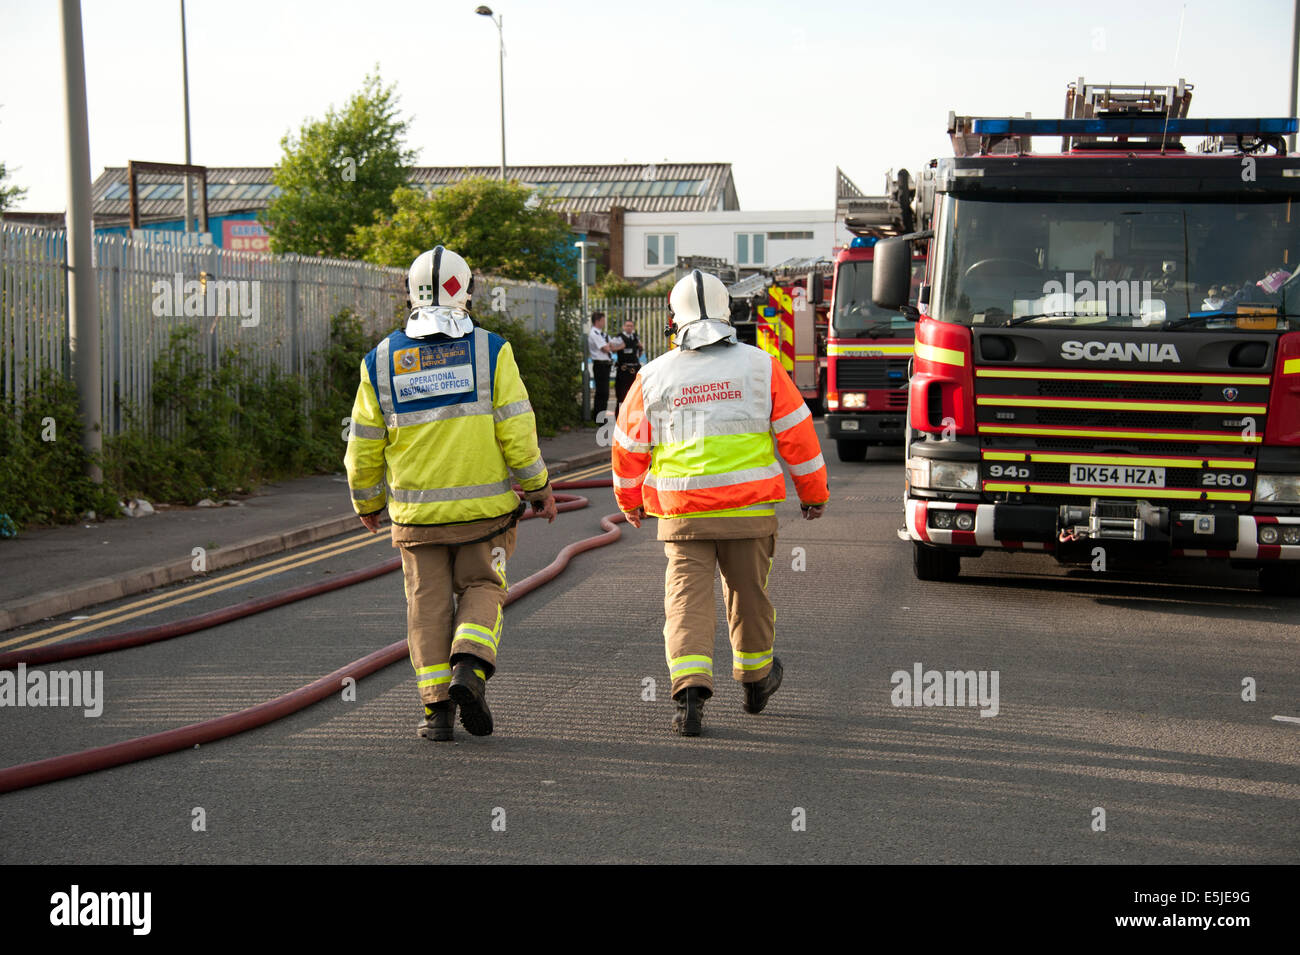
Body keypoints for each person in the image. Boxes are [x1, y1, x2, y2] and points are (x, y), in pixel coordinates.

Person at [345, 245, 557, 743]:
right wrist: (538, 488)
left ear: (410, 292)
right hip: (486, 516)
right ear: (466, 291)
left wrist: (367, 502)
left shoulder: (379, 360)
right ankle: (469, 665)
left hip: (416, 520)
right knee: (484, 588)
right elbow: (516, 430)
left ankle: (437, 712)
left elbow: (363, 443)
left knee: (427, 607)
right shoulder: (490, 350)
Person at [611, 270, 829, 737]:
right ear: (728, 312)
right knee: (748, 595)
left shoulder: (653, 374)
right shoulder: (760, 366)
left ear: (674, 319)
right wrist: (813, 494)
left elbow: (628, 445)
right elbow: (798, 434)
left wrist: (629, 500)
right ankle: (755, 681)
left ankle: (689, 692)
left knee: (685, 601)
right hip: (748, 514)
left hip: (682, 514)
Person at [613, 317, 644, 420]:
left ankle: (634, 417)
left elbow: (639, 352)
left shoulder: (635, 337)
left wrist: (640, 348)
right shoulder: (619, 337)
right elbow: (611, 349)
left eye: (631, 326)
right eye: (627, 326)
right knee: (621, 395)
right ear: (623, 327)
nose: (629, 328)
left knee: (635, 394)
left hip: (634, 369)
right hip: (624, 370)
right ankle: (619, 418)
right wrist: (619, 347)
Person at [588, 311, 614, 424]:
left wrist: (611, 346)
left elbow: (612, 344)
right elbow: (606, 348)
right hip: (600, 365)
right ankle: (599, 418)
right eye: (603, 320)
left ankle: (601, 417)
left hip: (605, 365)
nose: (604, 322)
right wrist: (610, 346)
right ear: (597, 321)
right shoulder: (594, 334)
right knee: (602, 392)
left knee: (604, 392)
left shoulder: (602, 334)